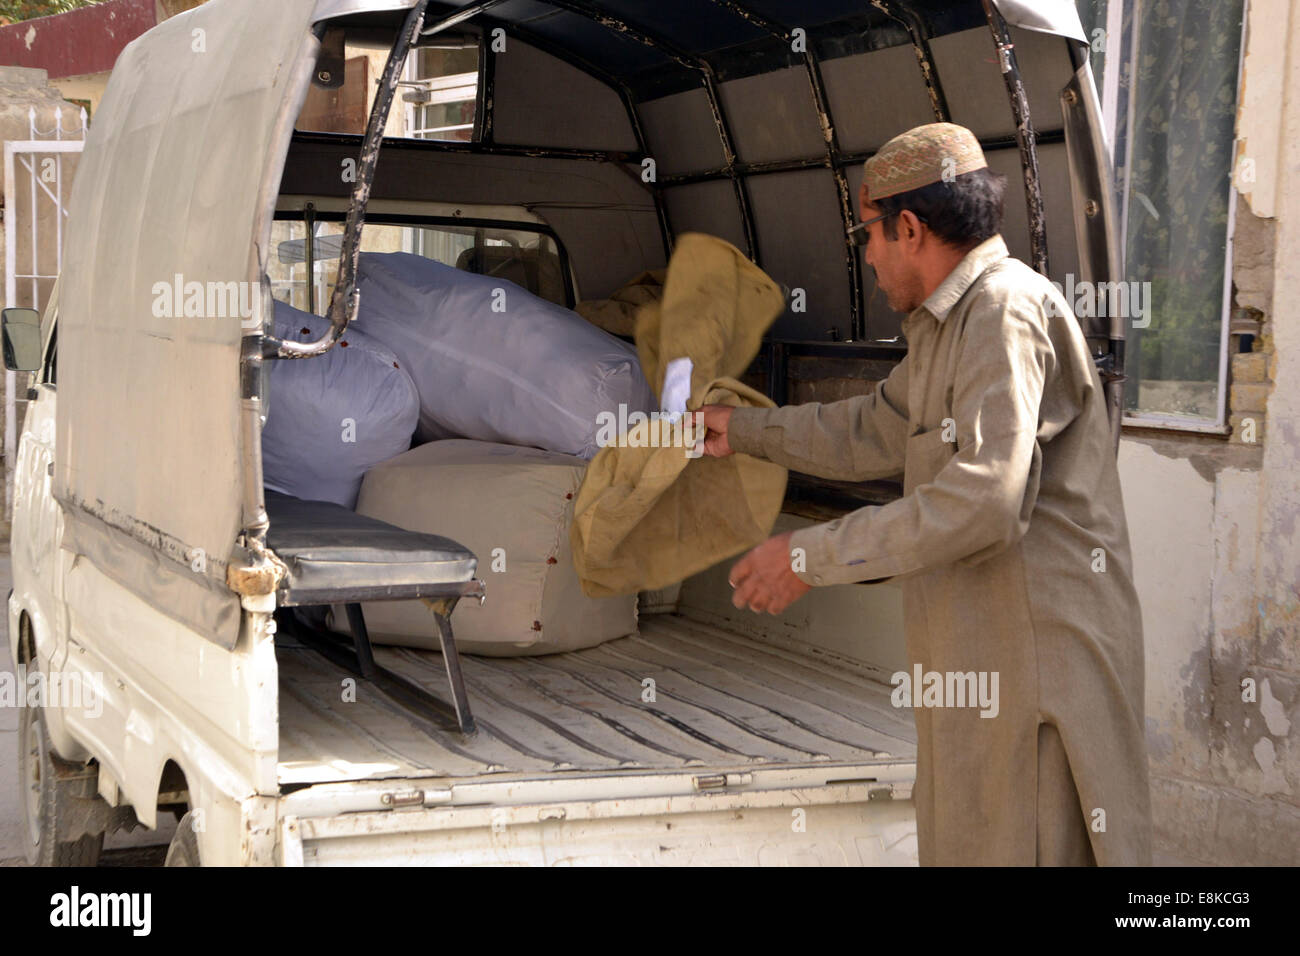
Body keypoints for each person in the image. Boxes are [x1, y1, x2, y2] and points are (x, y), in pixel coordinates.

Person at [695, 122, 1151, 866]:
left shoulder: (1004, 311)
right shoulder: (948, 324)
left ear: (908, 228)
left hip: (1034, 671)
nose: (867, 257)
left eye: (867, 234)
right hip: (977, 664)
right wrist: (742, 431)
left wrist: (807, 556)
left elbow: (984, 501)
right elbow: (873, 428)